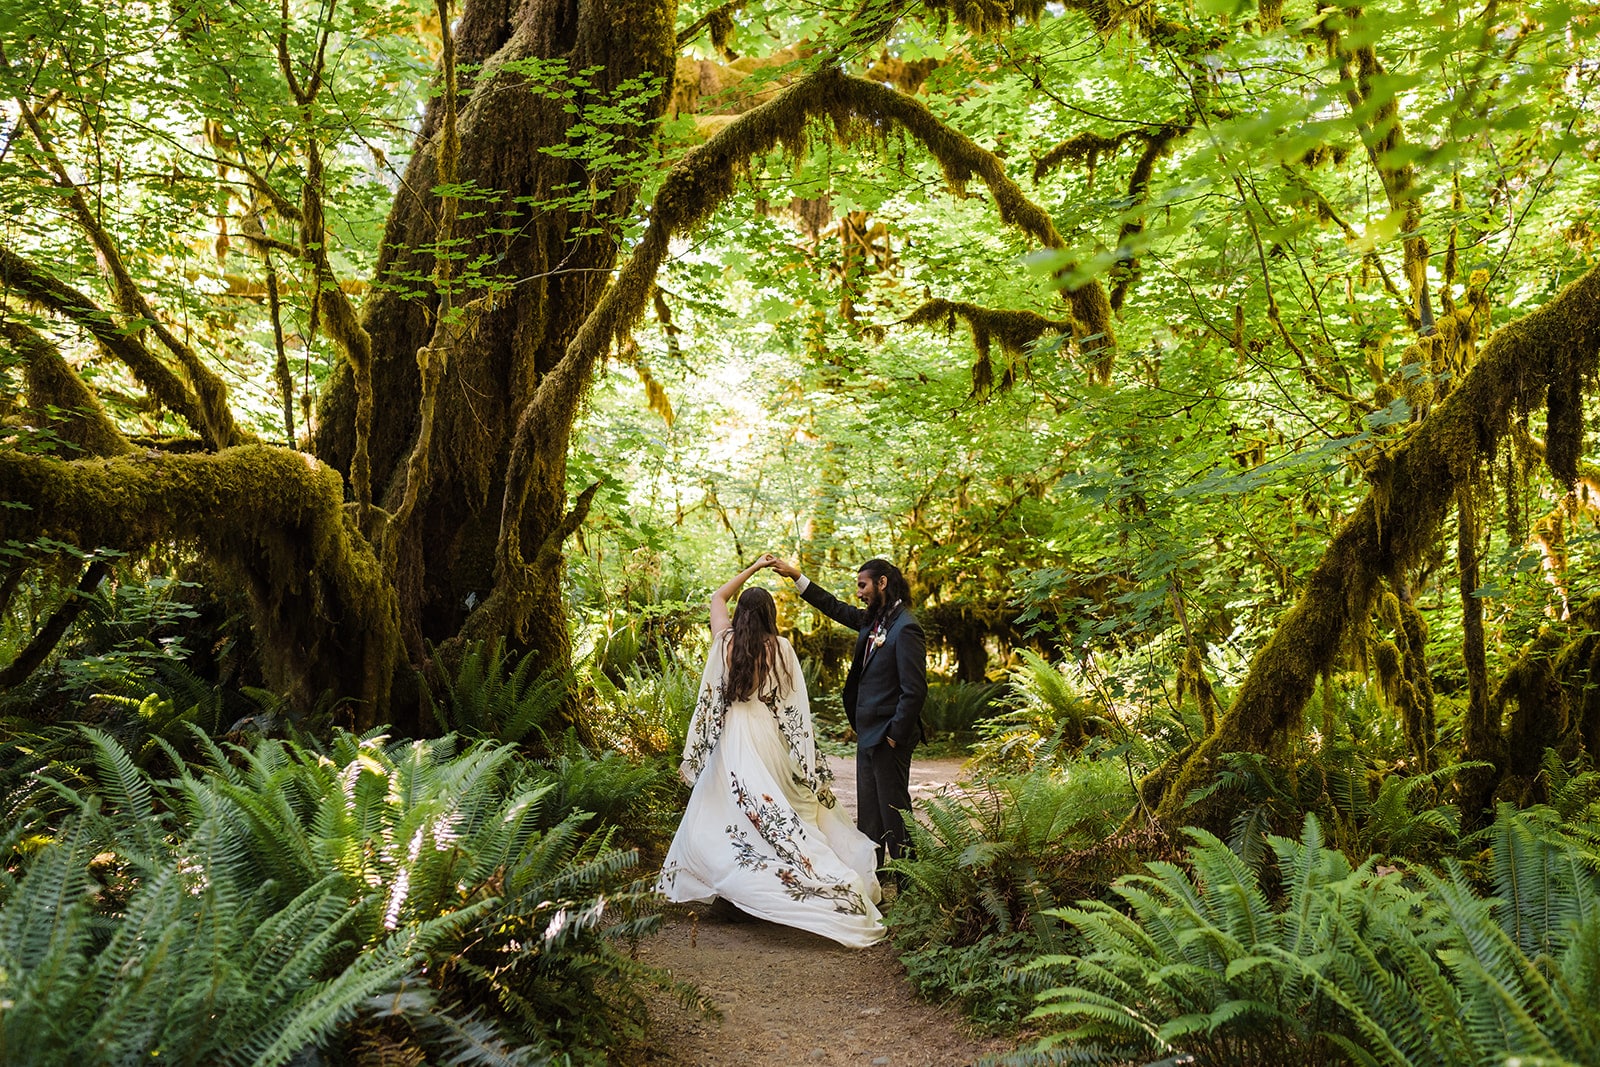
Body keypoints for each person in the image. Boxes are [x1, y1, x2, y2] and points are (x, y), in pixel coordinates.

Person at [656, 555, 884, 947]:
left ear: (741, 612)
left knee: (724, 810)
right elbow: (796, 709)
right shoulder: (781, 649)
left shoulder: (724, 641)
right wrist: (806, 760)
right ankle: (742, 891)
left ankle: (733, 892)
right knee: (772, 810)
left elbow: (717, 596)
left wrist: (751, 569)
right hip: (767, 736)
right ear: (770, 614)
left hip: (731, 737)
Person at [768, 557, 925, 867]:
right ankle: (872, 880)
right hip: (868, 734)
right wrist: (798, 577)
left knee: (894, 813)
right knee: (869, 815)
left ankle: (912, 882)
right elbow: (834, 607)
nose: (858, 592)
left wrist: (894, 735)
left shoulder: (906, 628)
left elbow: (915, 690)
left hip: (888, 737)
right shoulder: (873, 621)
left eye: (862, 585)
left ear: (882, 583)